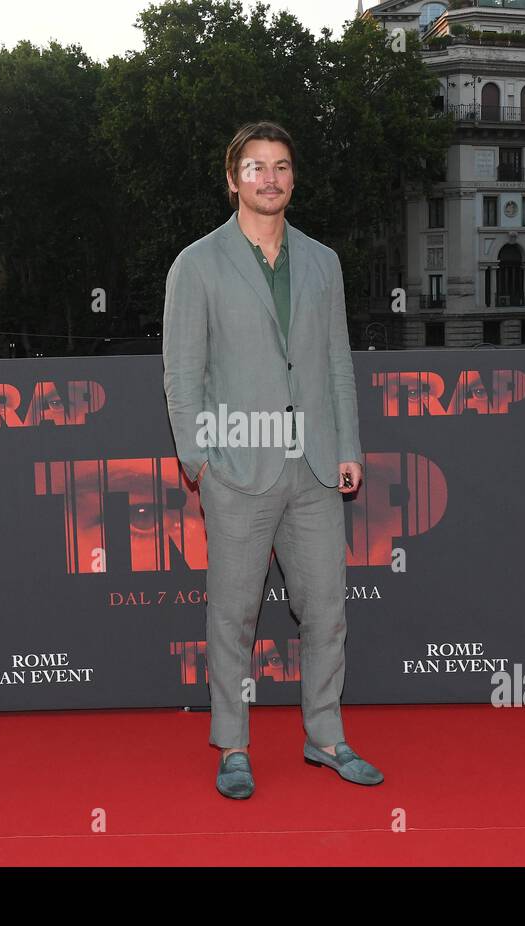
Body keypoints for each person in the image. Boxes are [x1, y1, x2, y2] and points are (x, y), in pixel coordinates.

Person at [161, 120, 383, 799]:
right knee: (234, 616)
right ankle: (232, 743)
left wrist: (348, 446)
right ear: (233, 180)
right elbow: (183, 372)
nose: (269, 178)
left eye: (281, 166)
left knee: (327, 611)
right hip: (239, 468)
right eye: (255, 167)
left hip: (314, 468)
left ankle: (326, 737)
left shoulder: (322, 262)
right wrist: (200, 460)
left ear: (293, 178)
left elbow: (337, 362)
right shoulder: (196, 264)